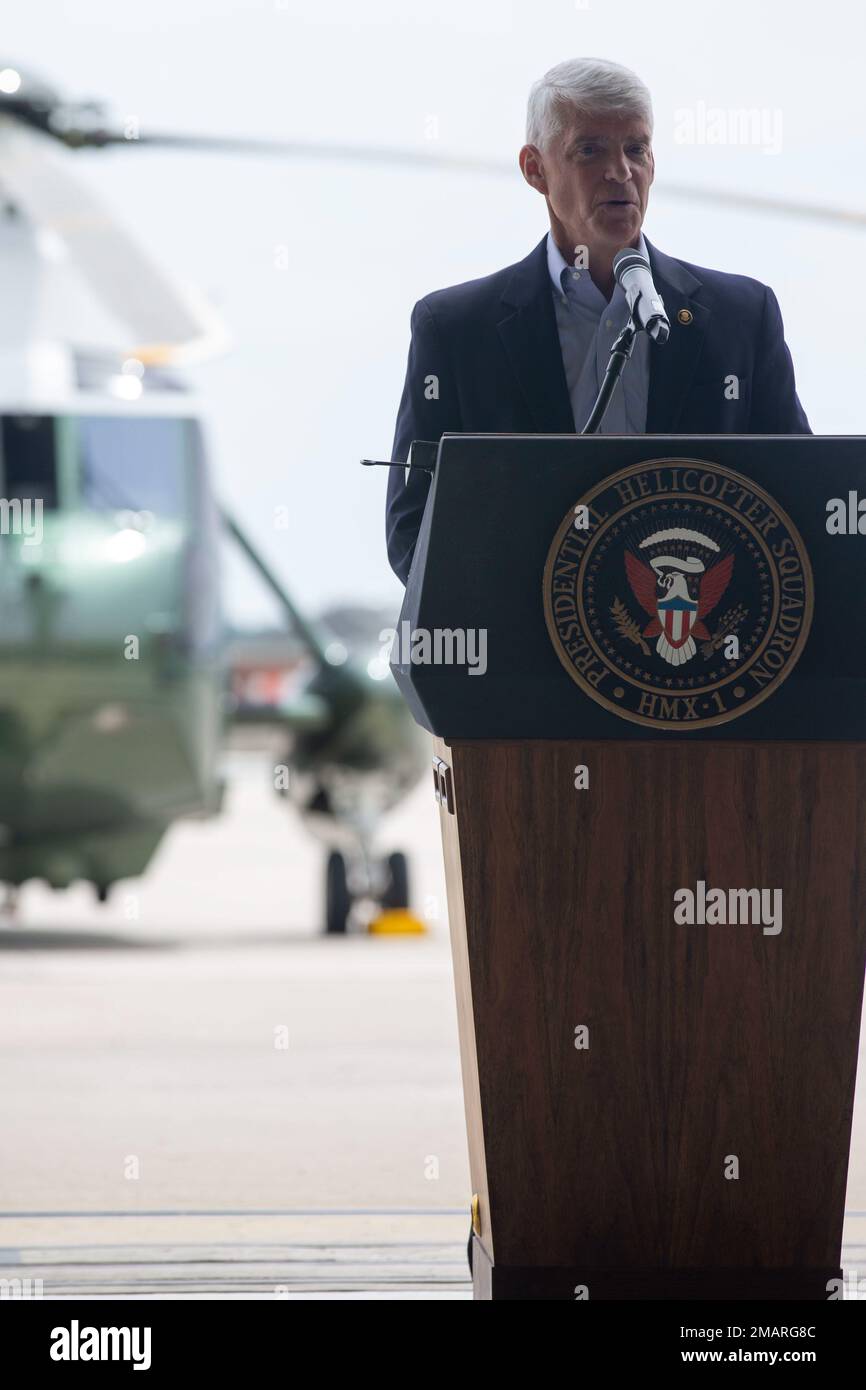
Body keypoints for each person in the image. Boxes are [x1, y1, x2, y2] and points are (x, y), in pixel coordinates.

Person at [386, 56, 811, 585]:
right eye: (589, 150)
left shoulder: (743, 318)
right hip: (533, 661)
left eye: (636, 148)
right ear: (535, 169)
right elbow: (413, 532)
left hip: (699, 649)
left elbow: (800, 506)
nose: (621, 172)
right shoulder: (453, 330)